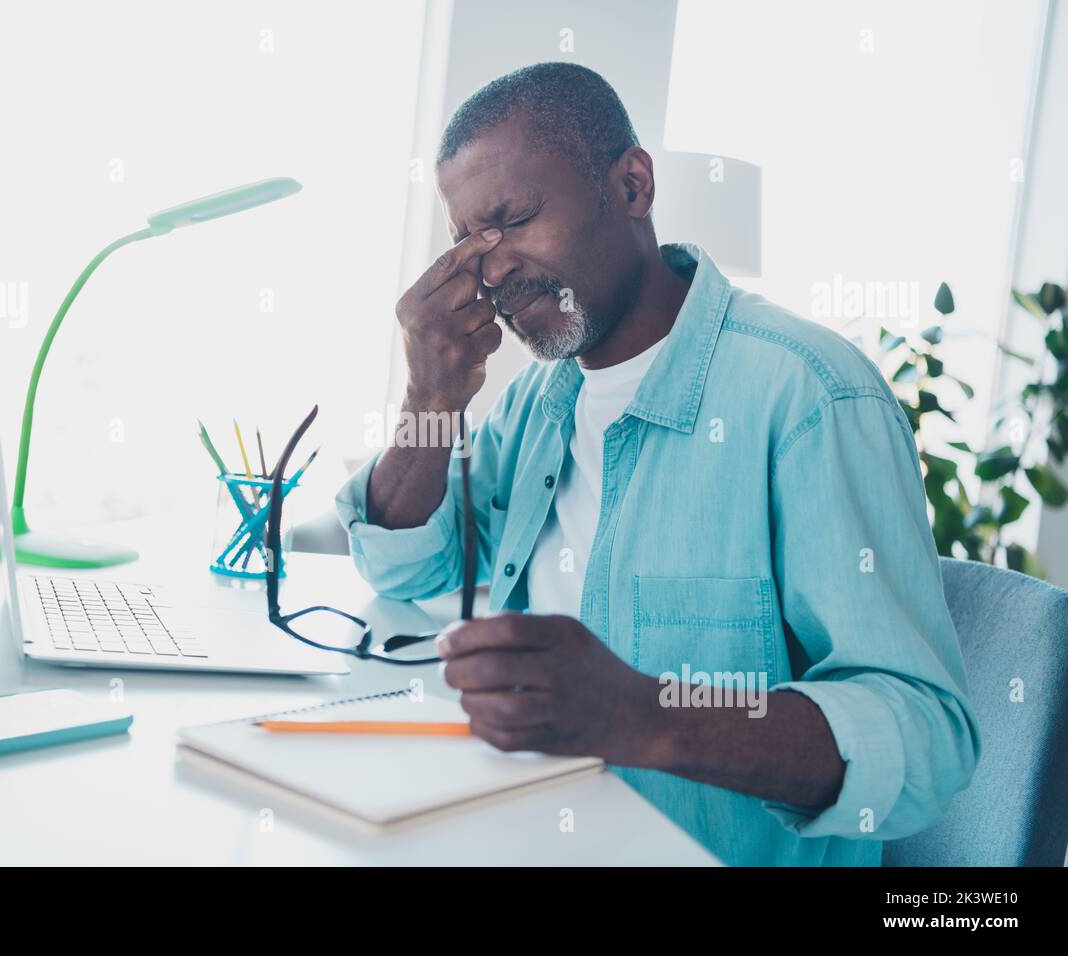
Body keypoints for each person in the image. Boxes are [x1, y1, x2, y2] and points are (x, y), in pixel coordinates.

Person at [335, 62, 978, 866]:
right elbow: (408, 566)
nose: (489, 269)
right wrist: (430, 402)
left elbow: (925, 744)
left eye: (513, 222)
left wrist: (643, 714)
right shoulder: (541, 400)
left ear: (632, 185)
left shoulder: (809, 396)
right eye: (468, 241)